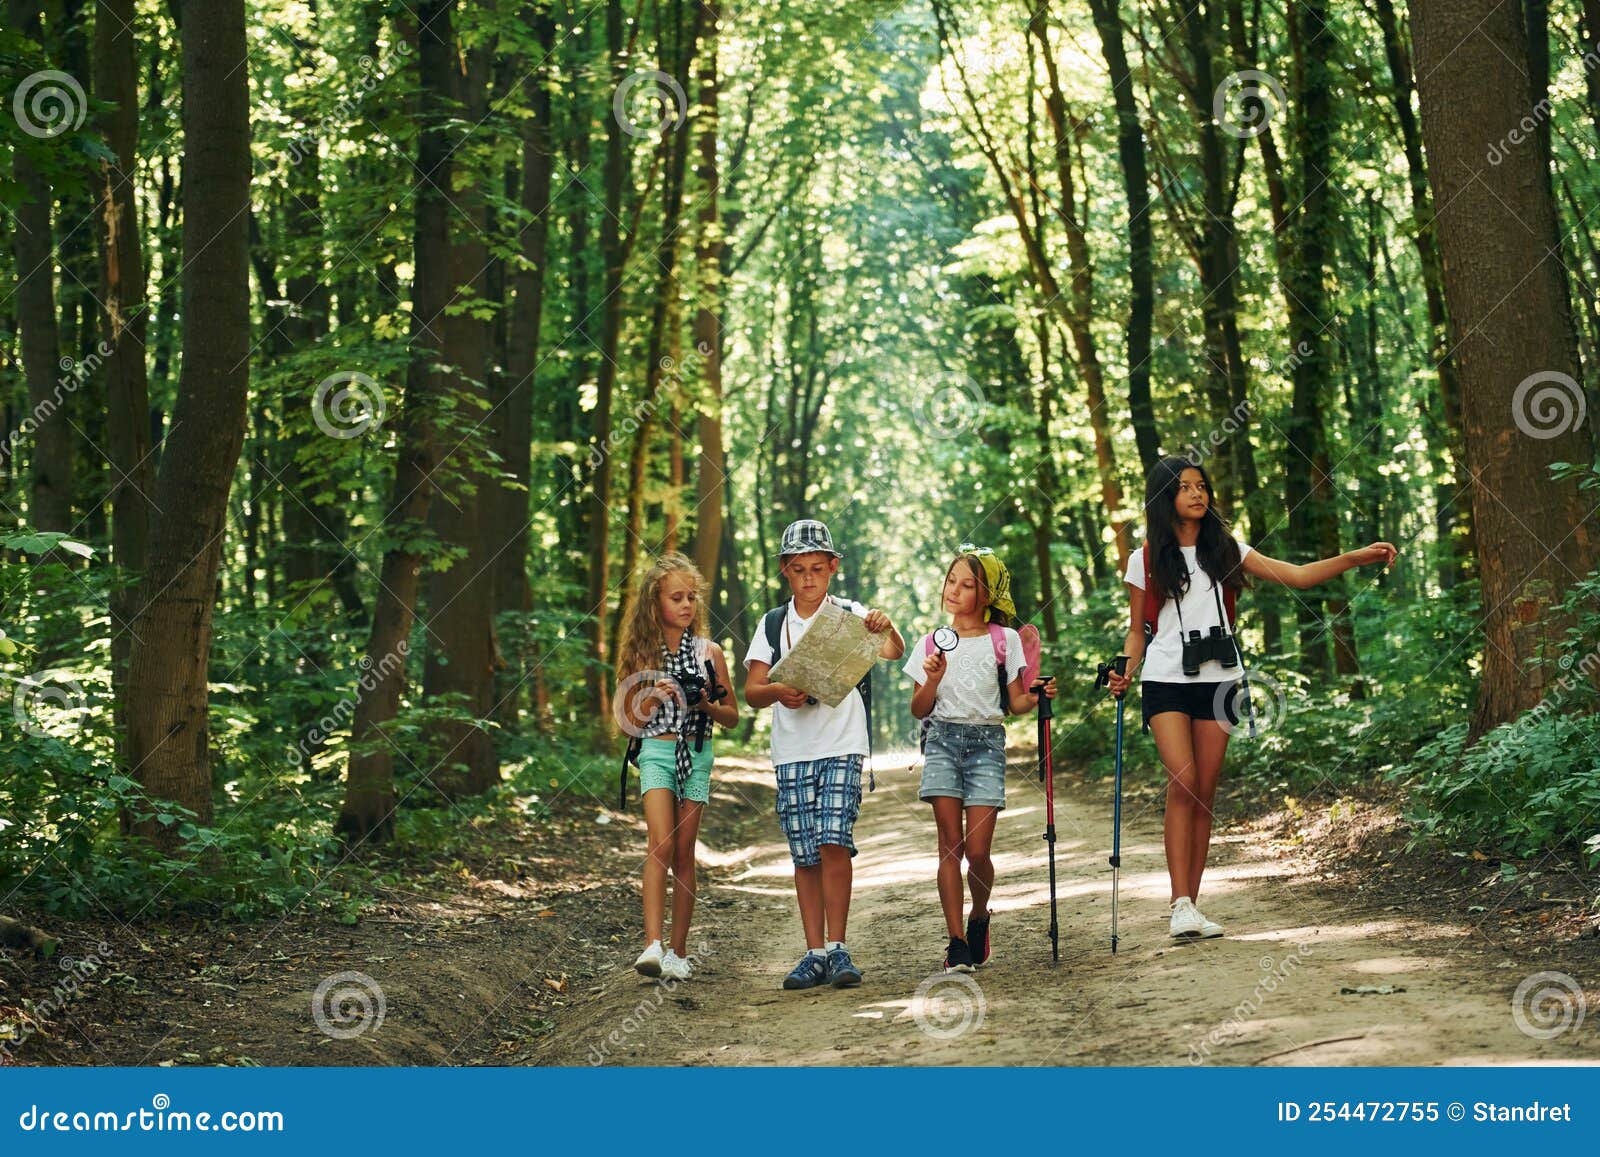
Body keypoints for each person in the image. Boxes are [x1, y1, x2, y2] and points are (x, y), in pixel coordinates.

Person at [1104, 457, 1396, 939]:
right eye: (1184, 487)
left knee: (1204, 790)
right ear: (1164, 498)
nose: (1197, 494)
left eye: (1202, 485)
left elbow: (1297, 576)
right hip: (1165, 679)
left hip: (1220, 681)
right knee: (1183, 780)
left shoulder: (1227, 549)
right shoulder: (1146, 558)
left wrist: (1355, 558)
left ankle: (1191, 906)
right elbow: (1138, 631)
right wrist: (1124, 670)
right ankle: (1179, 903)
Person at [744, 519, 904, 990]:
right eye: (798, 570)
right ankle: (813, 953)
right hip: (792, 750)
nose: (808, 578)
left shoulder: (850, 614)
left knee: (834, 839)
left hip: (843, 743)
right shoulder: (773, 623)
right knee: (805, 852)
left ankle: (838, 947)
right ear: (785, 570)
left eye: (817, 568)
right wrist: (779, 691)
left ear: (833, 567)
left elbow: (893, 651)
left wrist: (886, 625)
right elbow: (752, 691)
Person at [905, 546, 1054, 972]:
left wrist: (1038, 693)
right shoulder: (931, 643)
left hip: (987, 744)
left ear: (986, 595)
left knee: (978, 850)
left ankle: (979, 915)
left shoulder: (1004, 639)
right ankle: (956, 943)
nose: (954, 590)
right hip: (942, 742)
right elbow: (918, 708)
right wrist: (932, 680)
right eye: (951, 580)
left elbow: (1016, 703)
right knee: (949, 847)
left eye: (967, 585)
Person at [615, 552, 738, 980]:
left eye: (691, 597)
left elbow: (732, 717)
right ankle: (652, 944)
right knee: (660, 845)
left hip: (697, 754)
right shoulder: (641, 654)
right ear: (655, 603)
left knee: (685, 852)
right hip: (655, 751)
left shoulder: (710, 653)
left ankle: (678, 953)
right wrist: (654, 697)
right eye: (676, 597)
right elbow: (626, 722)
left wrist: (706, 704)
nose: (686, 605)